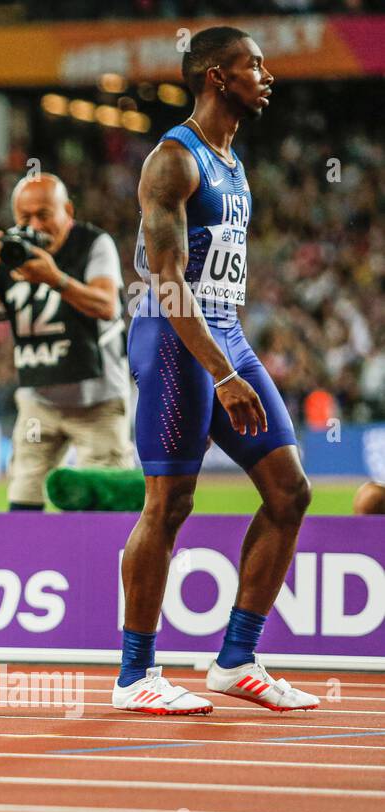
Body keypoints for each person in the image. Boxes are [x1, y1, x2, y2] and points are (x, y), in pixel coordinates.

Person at [115, 26, 318, 715]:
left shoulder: (232, 159)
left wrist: (230, 361)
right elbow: (170, 285)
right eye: (252, 65)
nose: (267, 74)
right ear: (214, 77)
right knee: (168, 505)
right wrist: (222, 374)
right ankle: (136, 674)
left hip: (224, 328)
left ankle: (236, 659)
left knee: (290, 493)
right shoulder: (175, 161)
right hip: (174, 336)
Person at [0, 173, 132, 510]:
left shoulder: (92, 243)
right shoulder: (12, 251)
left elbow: (107, 305)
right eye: (24, 217)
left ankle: (103, 563)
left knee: (106, 500)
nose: (34, 224)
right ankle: (25, 561)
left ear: (67, 210)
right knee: (23, 492)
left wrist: (55, 278)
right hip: (38, 397)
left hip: (97, 397)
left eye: (44, 214)